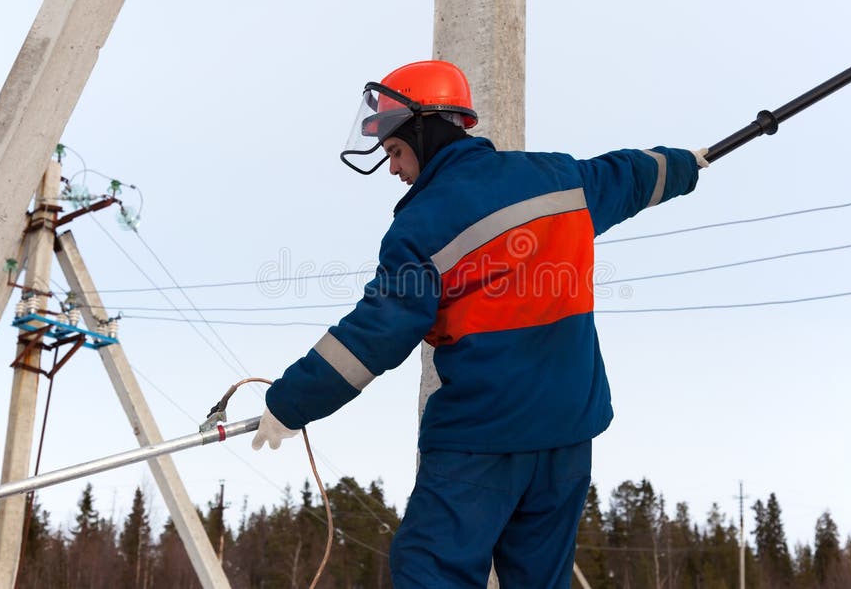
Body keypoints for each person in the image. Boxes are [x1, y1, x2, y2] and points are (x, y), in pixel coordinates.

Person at [252, 60, 707, 588]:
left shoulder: (421, 227)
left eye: (396, 152)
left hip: (483, 436)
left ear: (425, 131)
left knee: (430, 571)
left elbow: (375, 335)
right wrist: (687, 166)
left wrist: (290, 403)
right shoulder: (560, 178)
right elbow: (631, 175)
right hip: (568, 434)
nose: (395, 171)